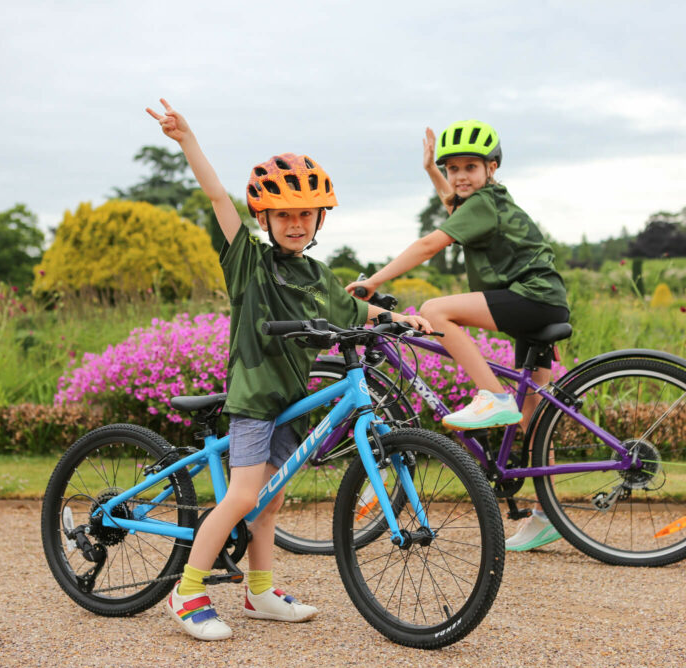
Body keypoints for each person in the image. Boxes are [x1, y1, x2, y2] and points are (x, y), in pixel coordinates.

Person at [147, 99, 431, 640]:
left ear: (319, 219)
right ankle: (186, 592)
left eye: (306, 214)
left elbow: (355, 310)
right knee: (244, 495)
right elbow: (215, 197)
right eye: (285, 214)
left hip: (289, 400)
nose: (296, 223)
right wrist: (188, 141)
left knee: (271, 500)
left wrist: (401, 319)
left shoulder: (318, 276)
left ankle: (259, 592)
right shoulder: (249, 263)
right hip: (255, 399)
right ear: (265, 219)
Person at [347, 120, 568, 551]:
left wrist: (372, 282)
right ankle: (547, 515)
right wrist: (431, 169)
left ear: (492, 168)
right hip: (542, 301)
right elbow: (454, 204)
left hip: (531, 297)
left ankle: (492, 396)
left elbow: (430, 245)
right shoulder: (482, 201)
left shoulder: (484, 203)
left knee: (436, 310)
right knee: (533, 420)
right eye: (453, 169)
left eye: (471, 166)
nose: (461, 175)